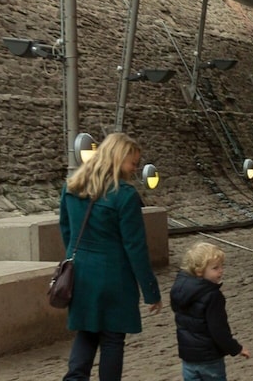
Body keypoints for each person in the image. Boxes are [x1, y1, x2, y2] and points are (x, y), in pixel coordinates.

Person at [59, 133, 163, 381]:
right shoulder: (125, 195)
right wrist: (151, 291)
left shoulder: (72, 187)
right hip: (114, 278)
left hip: (82, 275)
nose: (135, 168)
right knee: (112, 340)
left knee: (86, 333)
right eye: (133, 162)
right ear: (118, 158)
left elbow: (66, 230)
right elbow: (135, 247)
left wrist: (77, 258)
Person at [172, 242, 250, 380]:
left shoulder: (179, 289)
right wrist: (236, 348)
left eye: (221, 266)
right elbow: (219, 330)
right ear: (199, 271)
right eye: (215, 268)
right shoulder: (213, 296)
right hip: (209, 358)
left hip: (188, 357)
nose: (221, 271)